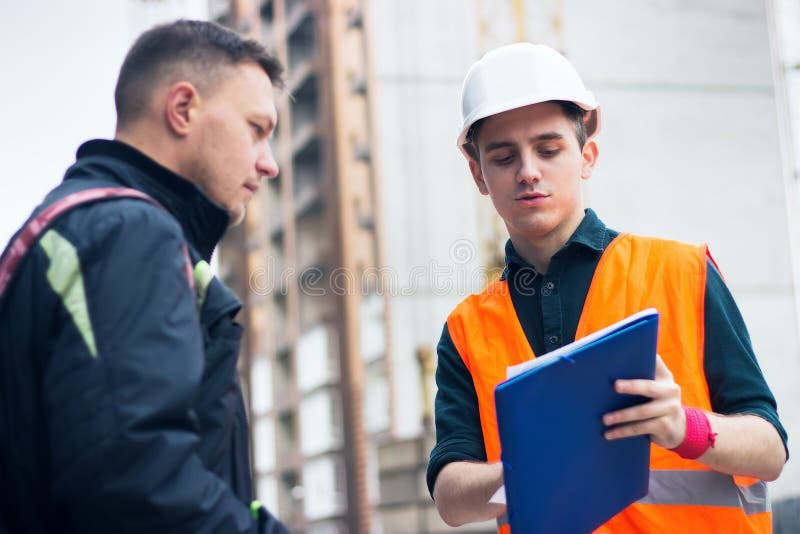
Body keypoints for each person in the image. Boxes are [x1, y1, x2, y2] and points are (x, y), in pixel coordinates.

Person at [427, 43, 788, 533]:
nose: (528, 170)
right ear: (479, 174)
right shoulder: (467, 329)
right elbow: (450, 497)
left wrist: (685, 427)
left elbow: (770, 450)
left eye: (549, 149)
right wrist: (524, 472)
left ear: (587, 157)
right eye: (504, 156)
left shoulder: (683, 272)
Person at [0, 20, 288, 533]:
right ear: (182, 109)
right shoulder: (128, 233)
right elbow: (137, 481)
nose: (270, 164)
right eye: (257, 129)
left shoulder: (79, 228)